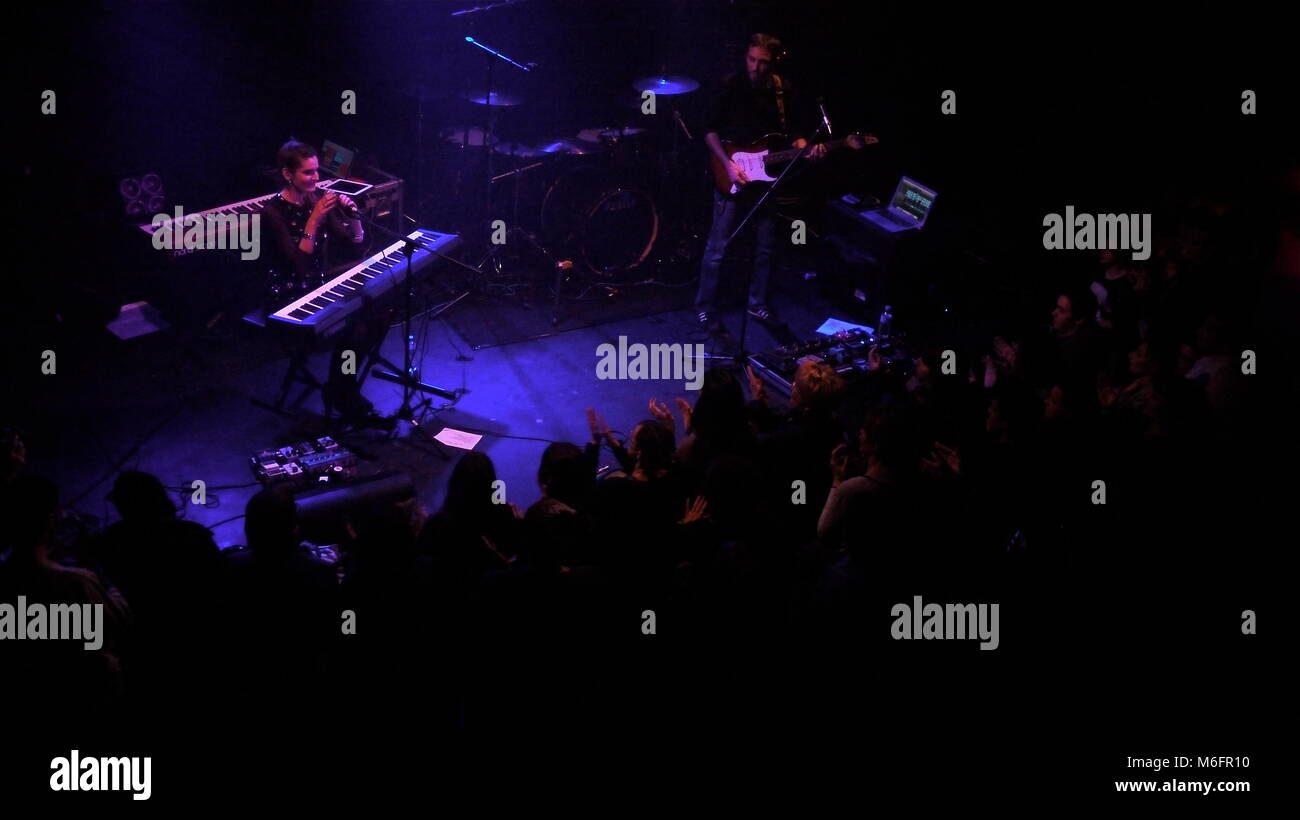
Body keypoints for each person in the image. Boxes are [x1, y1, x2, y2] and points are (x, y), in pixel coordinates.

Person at [695, 33, 827, 329]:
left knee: (766, 245)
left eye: (762, 62)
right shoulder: (732, 85)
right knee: (718, 246)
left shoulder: (782, 90)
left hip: (766, 178)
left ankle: (756, 303)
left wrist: (806, 146)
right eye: (751, 60)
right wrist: (728, 165)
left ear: (773, 62)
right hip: (731, 171)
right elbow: (709, 130)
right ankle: (705, 306)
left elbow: (793, 133)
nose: (755, 67)